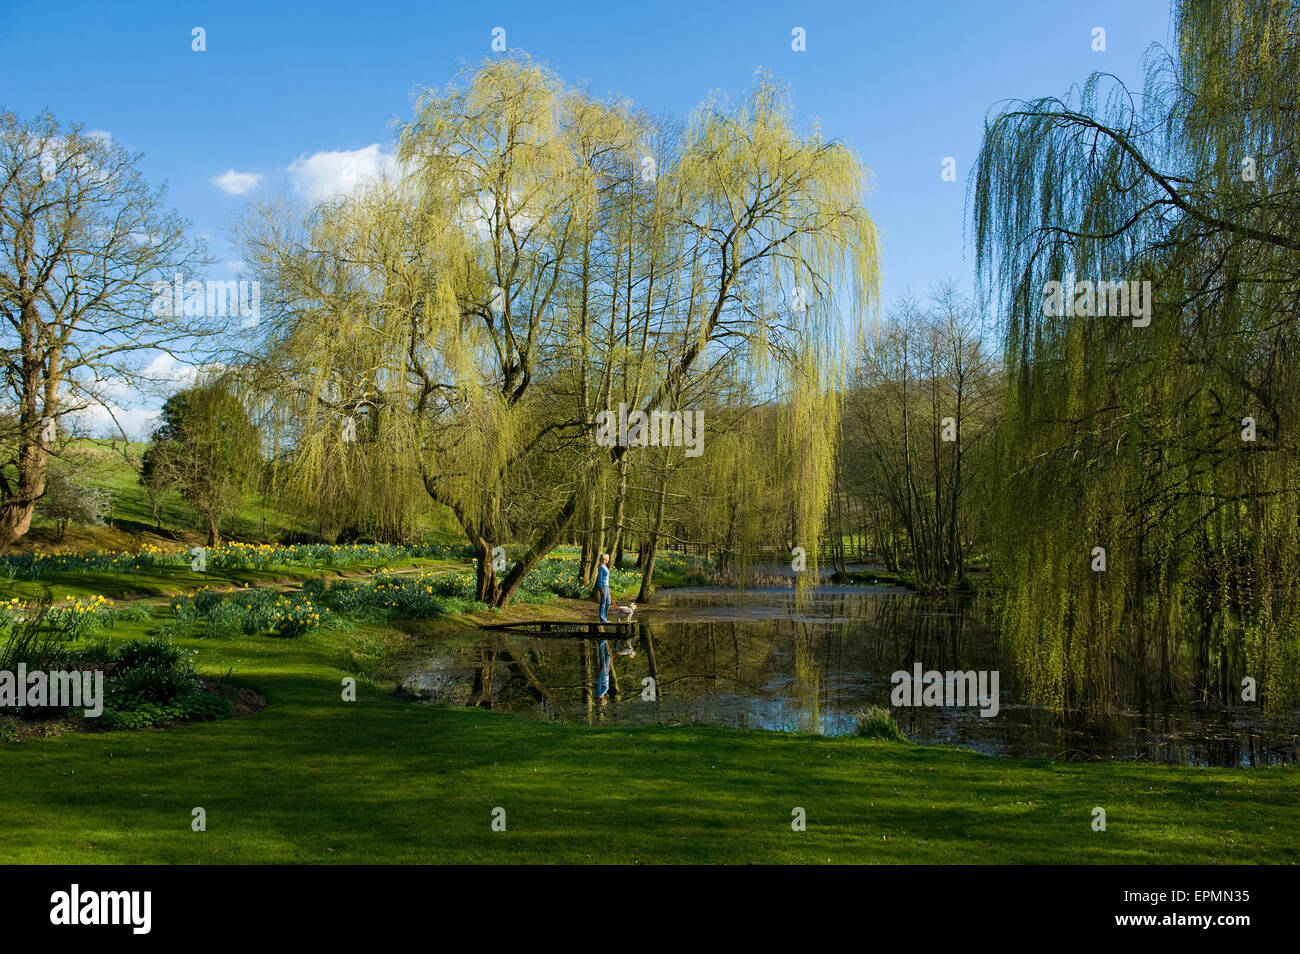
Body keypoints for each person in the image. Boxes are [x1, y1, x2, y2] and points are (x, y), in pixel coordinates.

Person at [596, 553, 611, 623]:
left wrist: (608, 587)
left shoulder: (605, 567)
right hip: (603, 586)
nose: (608, 559)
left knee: (608, 602)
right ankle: (602, 618)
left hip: (607, 586)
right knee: (603, 603)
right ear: (604, 559)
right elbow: (599, 579)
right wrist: (601, 588)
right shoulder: (601, 567)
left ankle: (604, 617)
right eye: (607, 558)